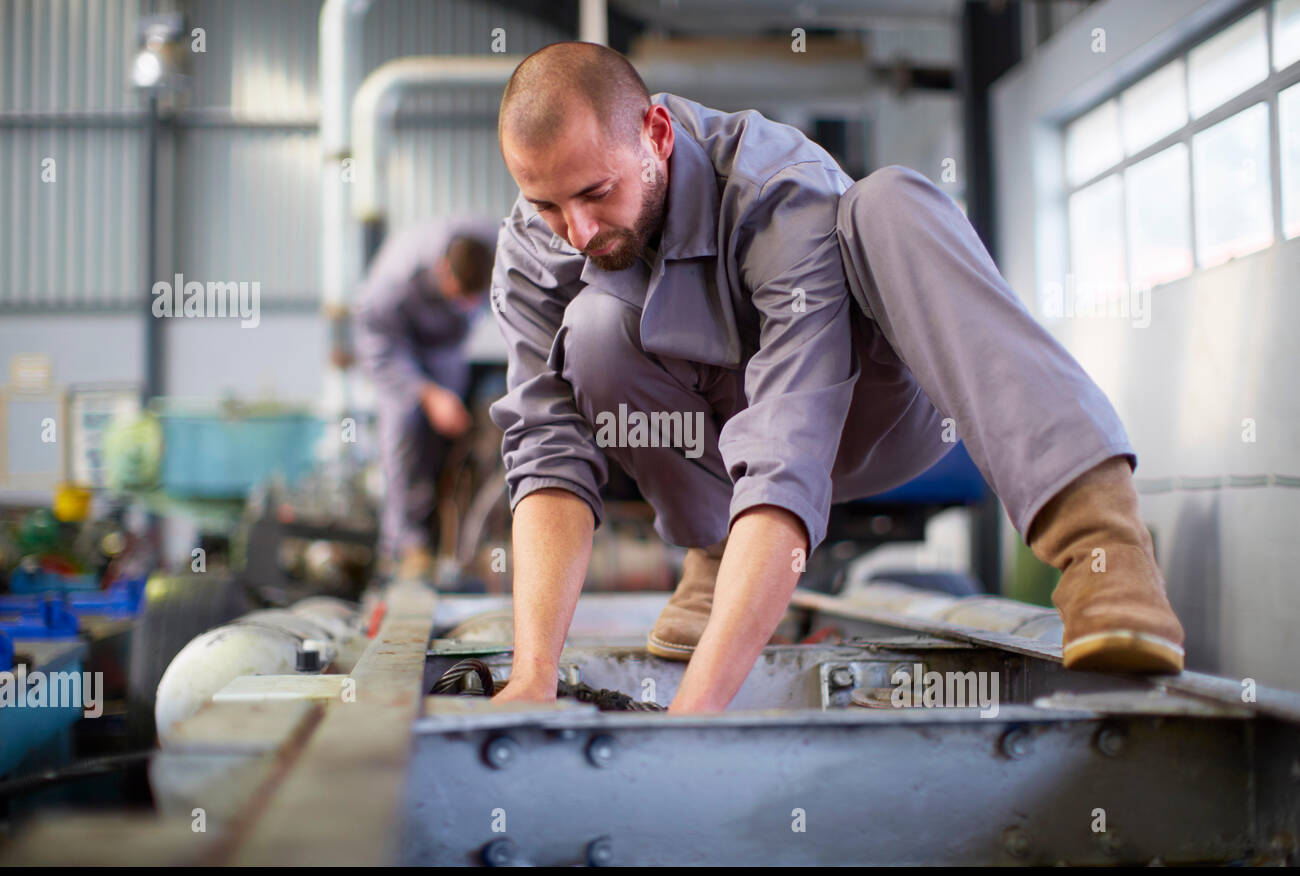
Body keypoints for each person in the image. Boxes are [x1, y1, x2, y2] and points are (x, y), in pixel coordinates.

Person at [487, 42, 1185, 713]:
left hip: (873, 416)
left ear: (658, 134)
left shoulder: (776, 188)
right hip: (725, 455)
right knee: (597, 330)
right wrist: (532, 674)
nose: (575, 229)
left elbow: (790, 444)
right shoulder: (534, 248)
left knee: (892, 203)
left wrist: (698, 711)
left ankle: (1103, 544)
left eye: (595, 193)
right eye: (547, 207)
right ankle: (718, 552)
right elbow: (545, 454)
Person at [353, 219, 496, 579]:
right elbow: (377, 351)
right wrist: (427, 394)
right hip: (399, 352)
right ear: (441, 269)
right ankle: (405, 545)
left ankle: (453, 541)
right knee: (406, 426)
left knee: (458, 427)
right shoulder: (392, 282)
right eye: (461, 296)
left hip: (447, 351)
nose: (469, 307)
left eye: (473, 300)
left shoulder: (501, 245)